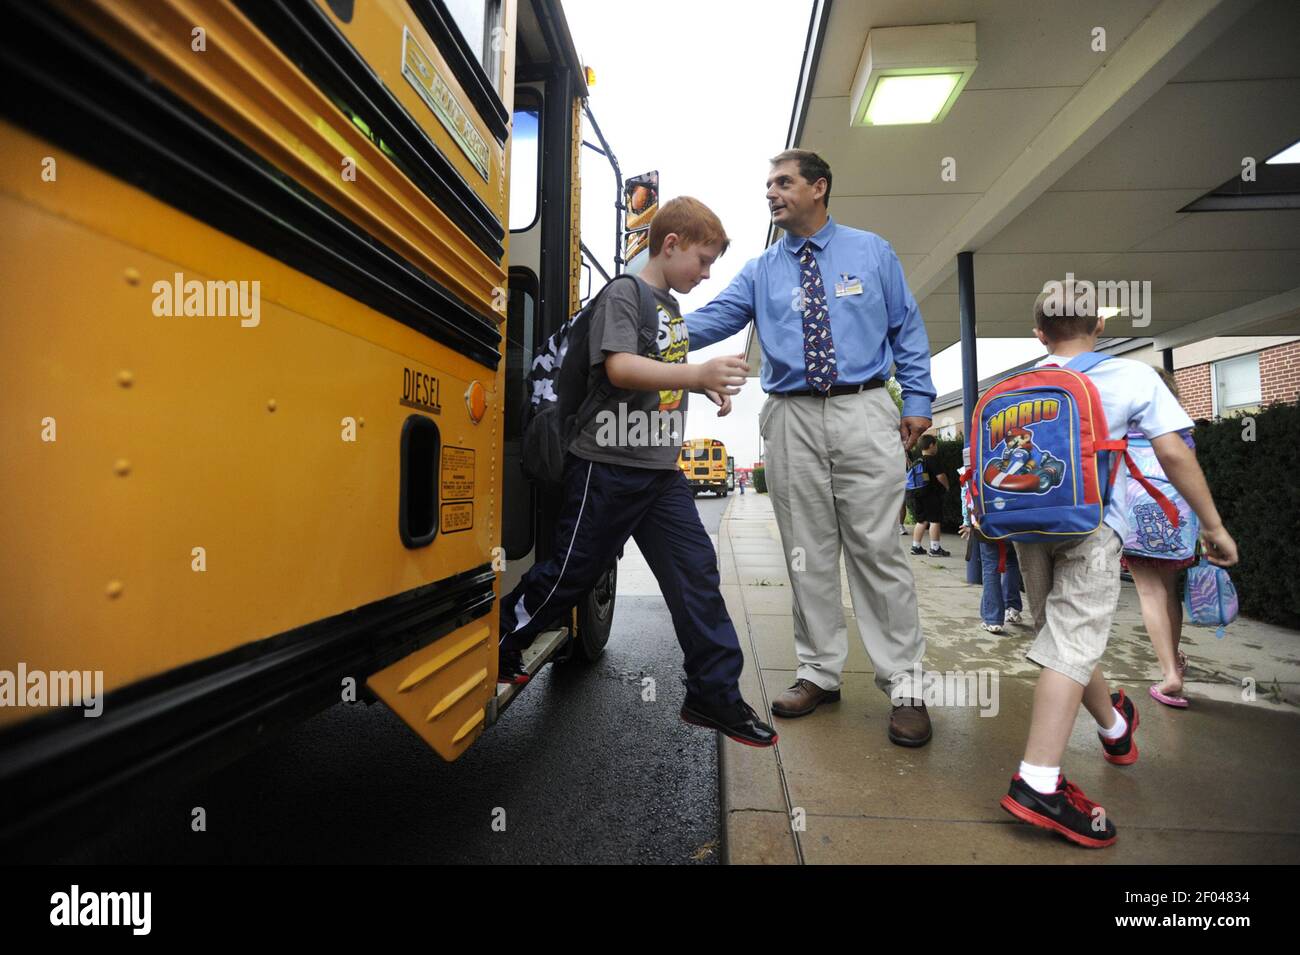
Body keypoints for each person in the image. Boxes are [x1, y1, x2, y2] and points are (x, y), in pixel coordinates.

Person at [499, 197, 777, 747]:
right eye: (701, 260)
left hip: (658, 470)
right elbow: (621, 368)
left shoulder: (669, 308)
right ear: (669, 245)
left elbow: (660, 380)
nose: (705, 274)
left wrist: (702, 388)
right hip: (607, 464)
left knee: (697, 575)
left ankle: (714, 696)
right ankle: (498, 643)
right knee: (569, 574)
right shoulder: (625, 294)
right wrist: (697, 373)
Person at [685, 149, 937, 747]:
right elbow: (712, 319)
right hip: (791, 414)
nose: (770, 193)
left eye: (783, 183)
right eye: (767, 185)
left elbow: (906, 326)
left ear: (819, 188)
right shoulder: (761, 269)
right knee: (805, 552)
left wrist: (918, 400)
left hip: (864, 407)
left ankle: (905, 685)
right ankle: (819, 672)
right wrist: (637, 321)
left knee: (878, 549)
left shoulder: (871, 251)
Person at [999, 282, 1238, 848]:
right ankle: (1038, 781)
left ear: (1039, 335)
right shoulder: (1131, 376)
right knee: (1072, 642)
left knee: (1064, 638)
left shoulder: (1021, 383)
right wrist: (1213, 525)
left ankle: (1113, 726)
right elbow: (1175, 450)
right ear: (1099, 327)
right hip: (1093, 525)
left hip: (1029, 527)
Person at [1123, 369, 1198, 707]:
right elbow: (1190, 470)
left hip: (1134, 514)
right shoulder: (1179, 427)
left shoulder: (1121, 427)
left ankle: (1169, 672)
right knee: (1170, 590)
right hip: (1175, 513)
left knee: (1149, 591)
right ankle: (1175, 665)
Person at [909, 435, 951, 557]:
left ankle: (916, 547)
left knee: (921, 520)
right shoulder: (932, 460)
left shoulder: (917, 461)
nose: (936, 448)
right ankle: (935, 549)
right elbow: (940, 476)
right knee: (935, 520)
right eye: (936, 445)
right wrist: (947, 486)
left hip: (917, 493)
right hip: (931, 494)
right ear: (931, 445)